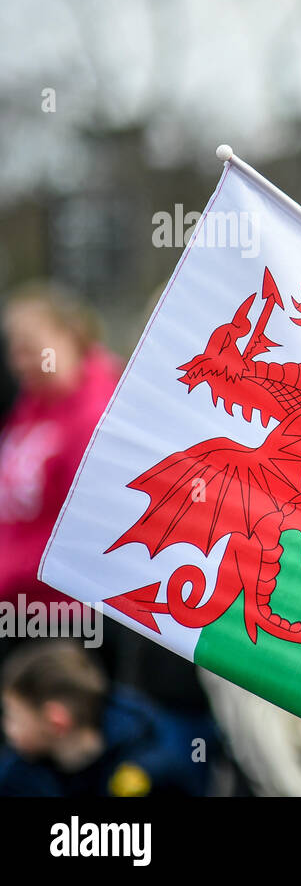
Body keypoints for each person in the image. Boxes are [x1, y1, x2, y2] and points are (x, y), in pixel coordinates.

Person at [0, 283, 121, 668]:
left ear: (67, 335)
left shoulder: (94, 414)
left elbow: (89, 529)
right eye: (13, 350)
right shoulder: (33, 405)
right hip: (19, 605)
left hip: (63, 616)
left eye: (29, 347)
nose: (18, 362)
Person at [0, 642, 208, 796]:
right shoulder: (16, 777)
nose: (7, 728)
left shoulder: (148, 767)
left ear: (57, 720)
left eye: (13, 717)